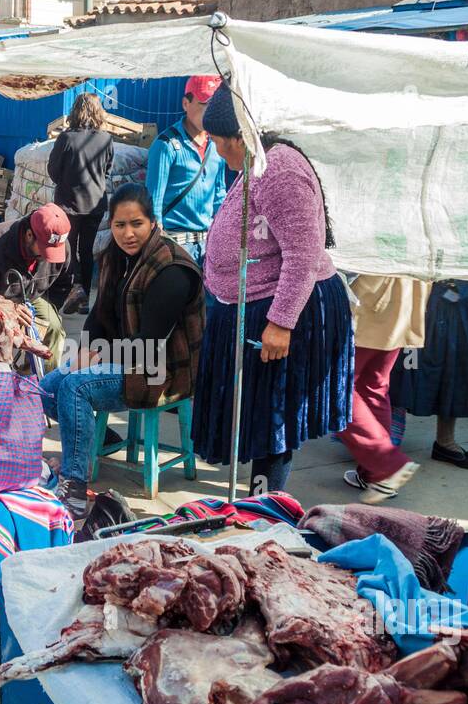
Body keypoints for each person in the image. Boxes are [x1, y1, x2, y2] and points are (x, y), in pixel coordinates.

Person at [191, 82, 354, 497]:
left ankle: (263, 508)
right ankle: (258, 500)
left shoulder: (278, 171)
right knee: (260, 417)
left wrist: (281, 323)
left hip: (283, 312)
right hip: (254, 305)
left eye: (221, 141)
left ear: (242, 136)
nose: (217, 149)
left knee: (272, 419)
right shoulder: (257, 164)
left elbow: (303, 253)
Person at [40, 184, 203, 518]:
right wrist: (85, 350)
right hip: (127, 357)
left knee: (76, 386)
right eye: (120, 225)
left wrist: (96, 357)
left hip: (164, 370)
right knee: (42, 388)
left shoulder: (172, 269)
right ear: (111, 225)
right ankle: (94, 437)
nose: (128, 234)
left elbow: (148, 345)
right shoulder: (116, 258)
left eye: (137, 224)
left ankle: (73, 487)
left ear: (153, 223)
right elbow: (99, 316)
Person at [336, 275, 430, 503]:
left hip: (372, 296)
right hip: (407, 296)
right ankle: (375, 475)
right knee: (373, 386)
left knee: (336, 390)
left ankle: (387, 466)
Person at [390, 280, 468, 470]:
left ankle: (445, 442)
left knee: (454, 372)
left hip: (457, 307)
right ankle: (384, 441)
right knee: (404, 372)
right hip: (417, 304)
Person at [0, 202, 70, 366]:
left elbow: (62, 286)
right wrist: (8, 310)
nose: (47, 256)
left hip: (29, 296)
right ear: (29, 235)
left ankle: (42, 384)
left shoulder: (58, 244)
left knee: (52, 326)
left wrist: (37, 322)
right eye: (44, 249)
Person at [145, 75, 228, 266]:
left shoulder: (217, 146)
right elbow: (153, 203)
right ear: (185, 103)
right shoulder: (166, 145)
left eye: (214, 105)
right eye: (204, 104)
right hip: (175, 245)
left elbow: (219, 196)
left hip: (208, 246)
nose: (210, 111)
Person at [48, 92, 114, 315]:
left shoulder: (66, 138)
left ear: (74, 111)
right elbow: (108, 170)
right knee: (86, 251)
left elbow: (53, 171)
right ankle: (84, 297)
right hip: (95, 204)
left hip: (69, 204)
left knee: (66, 249)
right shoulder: (106, 139)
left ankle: (72, 291)